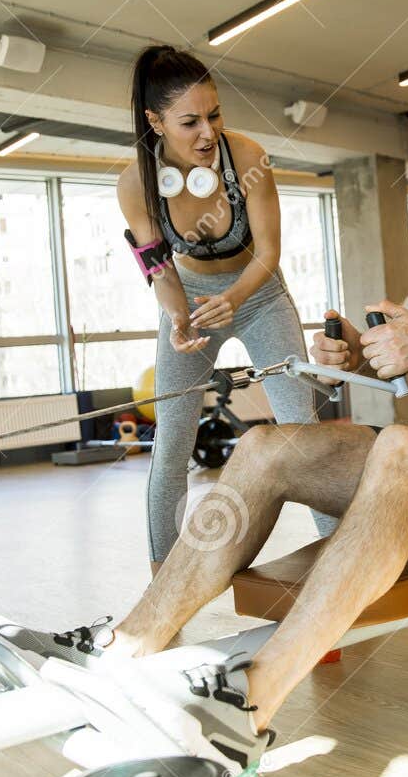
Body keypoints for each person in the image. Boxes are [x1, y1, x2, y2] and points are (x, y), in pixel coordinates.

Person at [40, 57, 408, 777]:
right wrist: (354, 346)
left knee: (402, 448)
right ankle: (127, 647)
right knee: (263, 446)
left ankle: (248, 707)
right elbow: (404, 330)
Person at [118, 45, 336, 567]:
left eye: (214, 115)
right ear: (155, 121)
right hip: (191, 302)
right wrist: (177, 316)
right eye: (189, 121)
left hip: (259, 293)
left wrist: (234, 298)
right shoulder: (135, 185)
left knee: (297, 432)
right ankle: (162, 585)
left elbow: (268, 252)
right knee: (170, 446)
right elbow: (158, 269)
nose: (207, 133)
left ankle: (338, 559)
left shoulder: (247, 158)